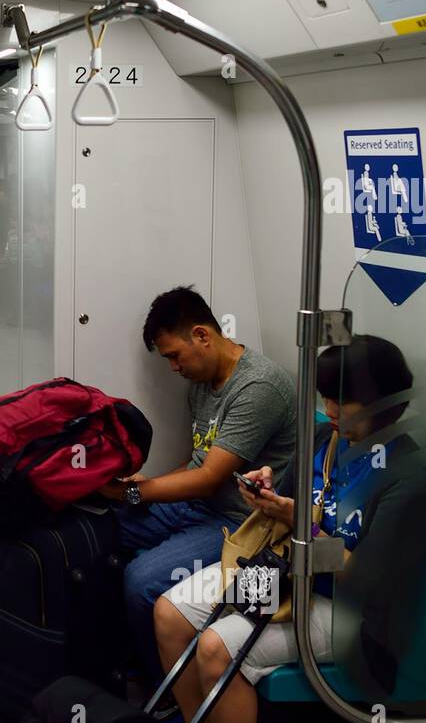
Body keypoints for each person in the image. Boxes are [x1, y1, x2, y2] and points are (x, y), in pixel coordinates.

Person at [154, 335, 426, 723]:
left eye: (343, 402)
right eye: (325, 398)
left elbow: (366, 579)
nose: (331, 410)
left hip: (351, 611)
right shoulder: (325, 437)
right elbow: (290, 502)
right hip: (287, 571)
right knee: (170, 614)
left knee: (216, 647)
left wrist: (298, 523)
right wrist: (265, 487)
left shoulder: (408, 479)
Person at [99, 286, 297, 688]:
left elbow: (209, 480)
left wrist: (136, 492)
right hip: (200, 506)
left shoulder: (258, 387)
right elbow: (198, 464)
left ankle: (170, 695)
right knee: (101, 530)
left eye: (174, 355)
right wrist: (145, 484)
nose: (173, 367)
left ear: (203, 335)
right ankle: (127, 659)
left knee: (140, 580)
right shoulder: (203, 384)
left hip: (241, 522)